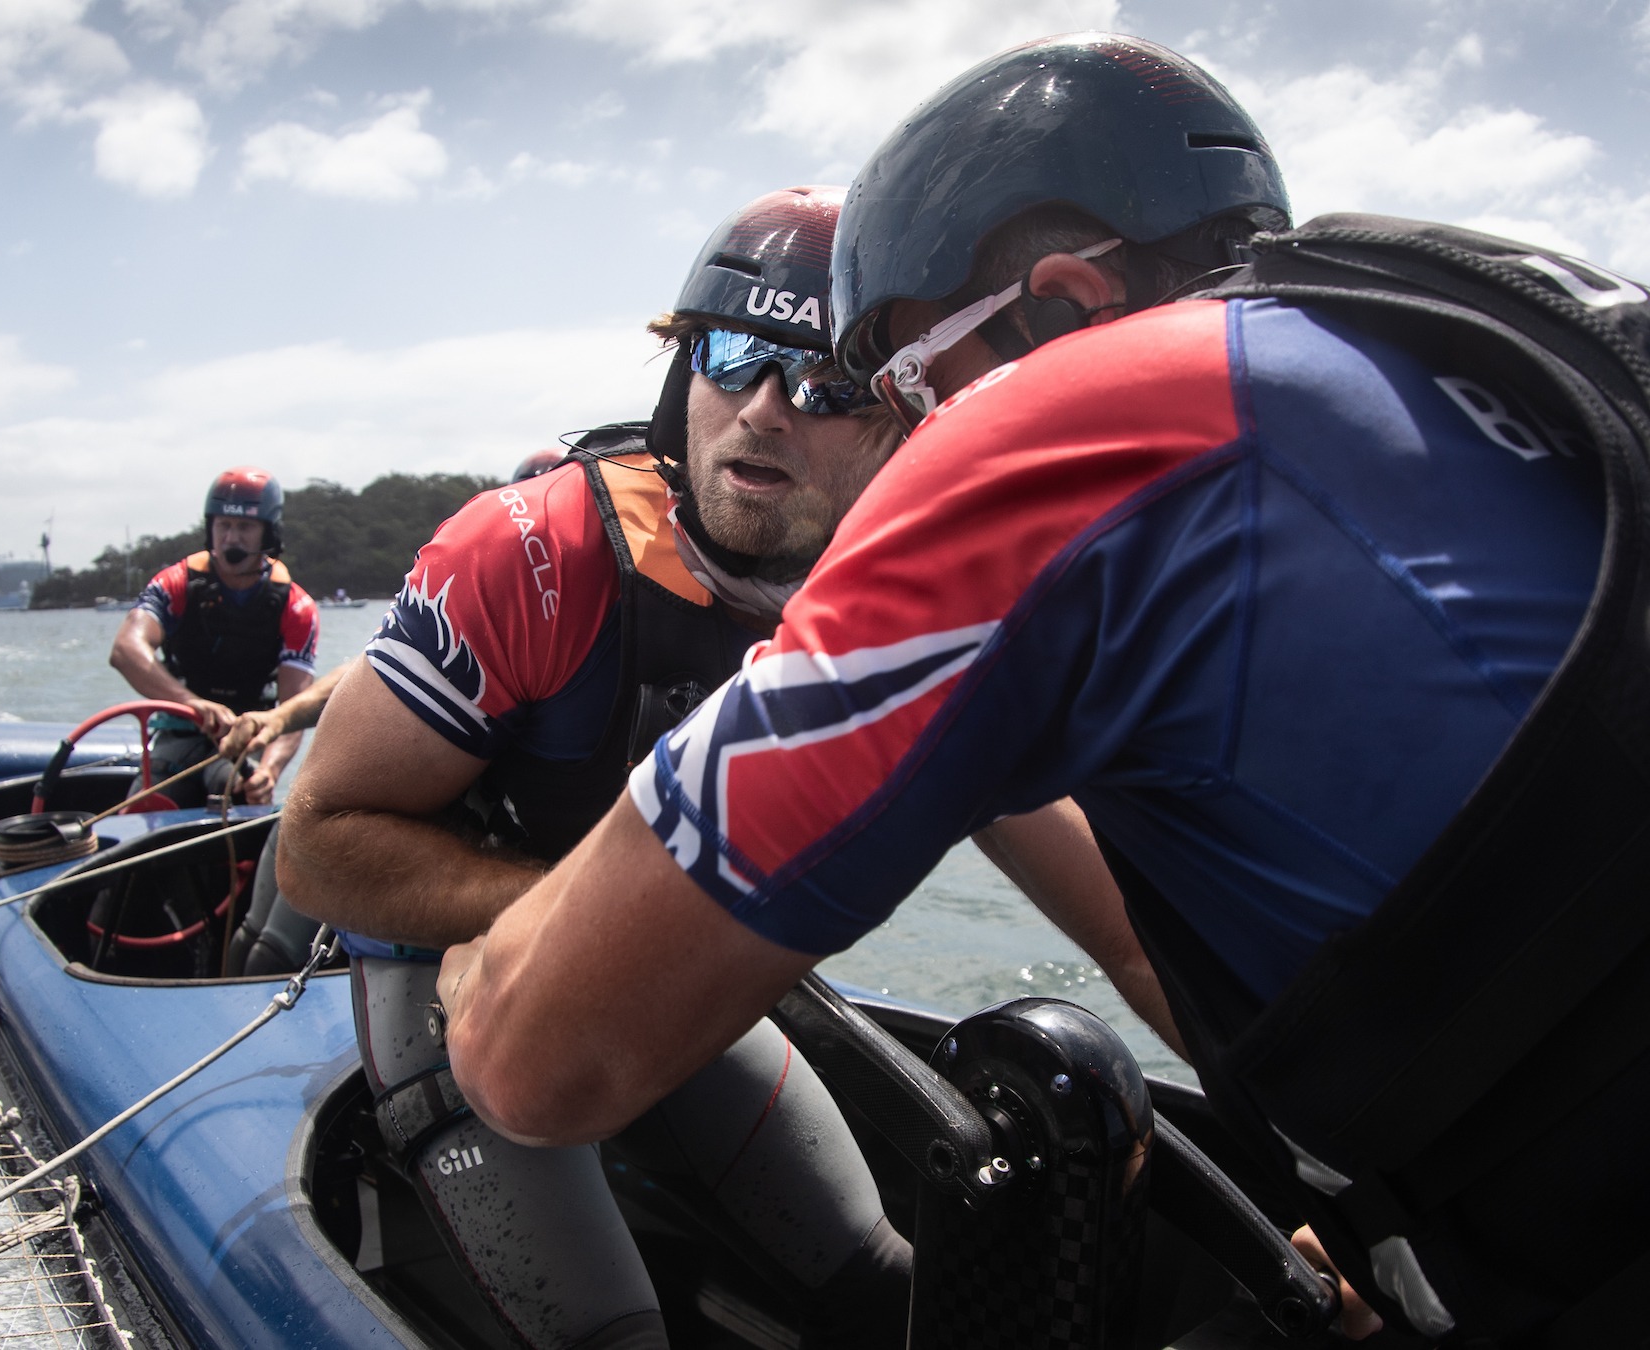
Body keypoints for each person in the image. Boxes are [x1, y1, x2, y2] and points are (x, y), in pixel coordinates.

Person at [439, 33, 1634, 1345]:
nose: (904, 440)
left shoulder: (1067, 420)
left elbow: (535, 1055)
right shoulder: (1443, 341)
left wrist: (473, 977)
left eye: (894, 381)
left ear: (1066, 303)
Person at [279, 186, 1174, 1350]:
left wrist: (1363, 1177)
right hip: (446, 973)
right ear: (679, 371)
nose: (763, 410)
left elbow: (1125, 936)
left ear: (903, 417)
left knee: (877, 1286)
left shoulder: (916, 601)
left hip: (662, 949)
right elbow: (316, 843)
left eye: (825, 381)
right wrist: (573, 907)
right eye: (731, 354)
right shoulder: (532, 554)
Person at [109, 467, 319, 807]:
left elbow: (293, 708)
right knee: (145, 802)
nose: (231, 539)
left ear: (269, 533)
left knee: (240, 792)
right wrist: (192, 703)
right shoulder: (175, 583)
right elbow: (125, 649)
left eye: (245, 527)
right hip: (177, 737)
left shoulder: (296, 608)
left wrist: (270, 770)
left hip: (241, 745)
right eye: (224, 525)